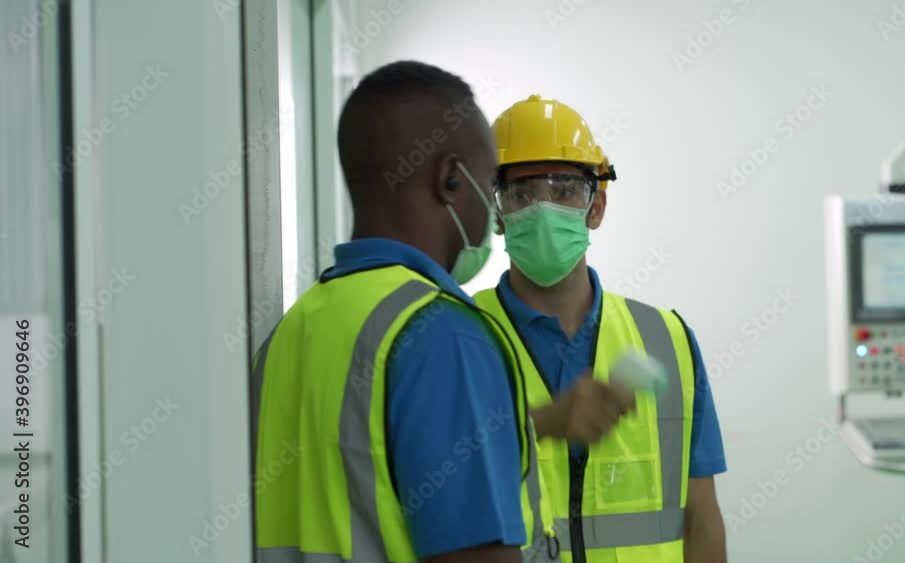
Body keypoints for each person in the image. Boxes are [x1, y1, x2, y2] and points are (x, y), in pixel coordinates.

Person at [251, 63, 557, 563]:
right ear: (452, 179)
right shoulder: (443, 337)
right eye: (490, 182)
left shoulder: (291, 331)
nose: (496, 212)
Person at [474, 94, 728, 563]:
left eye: (565, 189)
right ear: (496, 212)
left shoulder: (666, 338)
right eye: (522, 193)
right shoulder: (458, 336)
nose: (543, 208)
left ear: (596, 207)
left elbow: (701, 517)